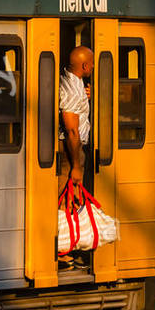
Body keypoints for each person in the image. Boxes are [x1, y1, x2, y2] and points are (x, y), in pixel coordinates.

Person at [59, 46, 94, 213]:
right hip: (71, 149)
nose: (94, 67)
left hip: (73, 147)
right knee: (69, 202)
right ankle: (69, 237)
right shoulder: (73, 92)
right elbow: (72, 131)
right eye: (92, 63)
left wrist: (86, 96)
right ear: (85, 66)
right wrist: (76, 166)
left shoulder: (70, 79)